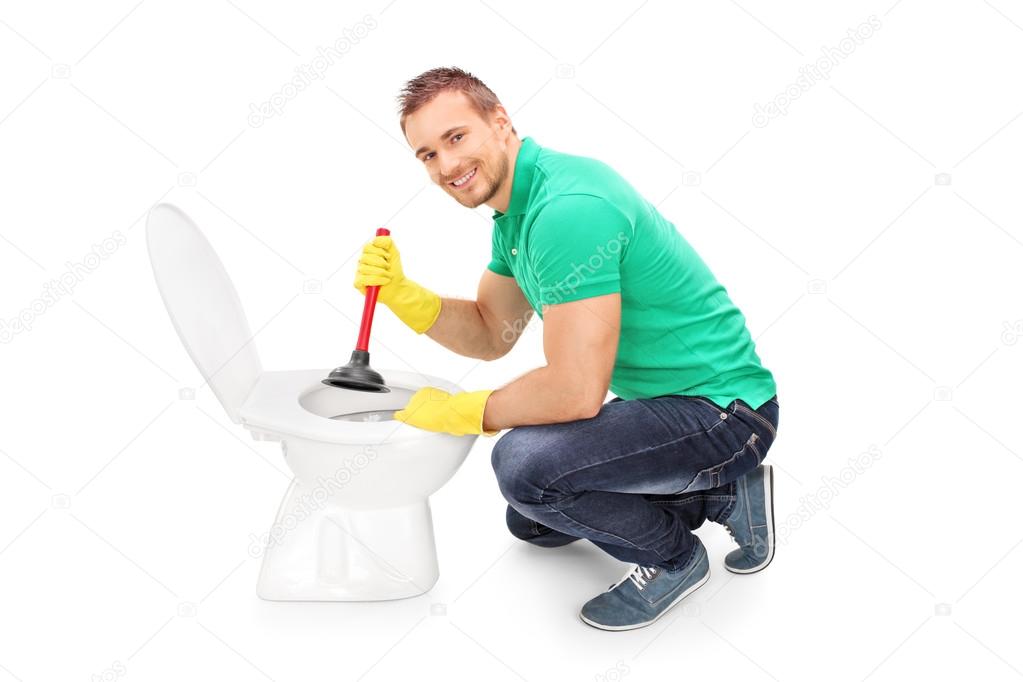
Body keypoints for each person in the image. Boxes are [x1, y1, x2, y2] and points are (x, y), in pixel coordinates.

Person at [353, 66, 780, 631]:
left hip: (725, 413)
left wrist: (461, 412)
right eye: (427, 155)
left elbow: (577, 391)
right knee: (531, 521)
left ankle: (675, 557)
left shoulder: (568, 209)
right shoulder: (515, 215)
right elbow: (489, 331)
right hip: (665, 403)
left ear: (500, 121)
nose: (446, 166)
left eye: (456, 138)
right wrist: (407, 298)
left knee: (524, 467)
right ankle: (725, 497)